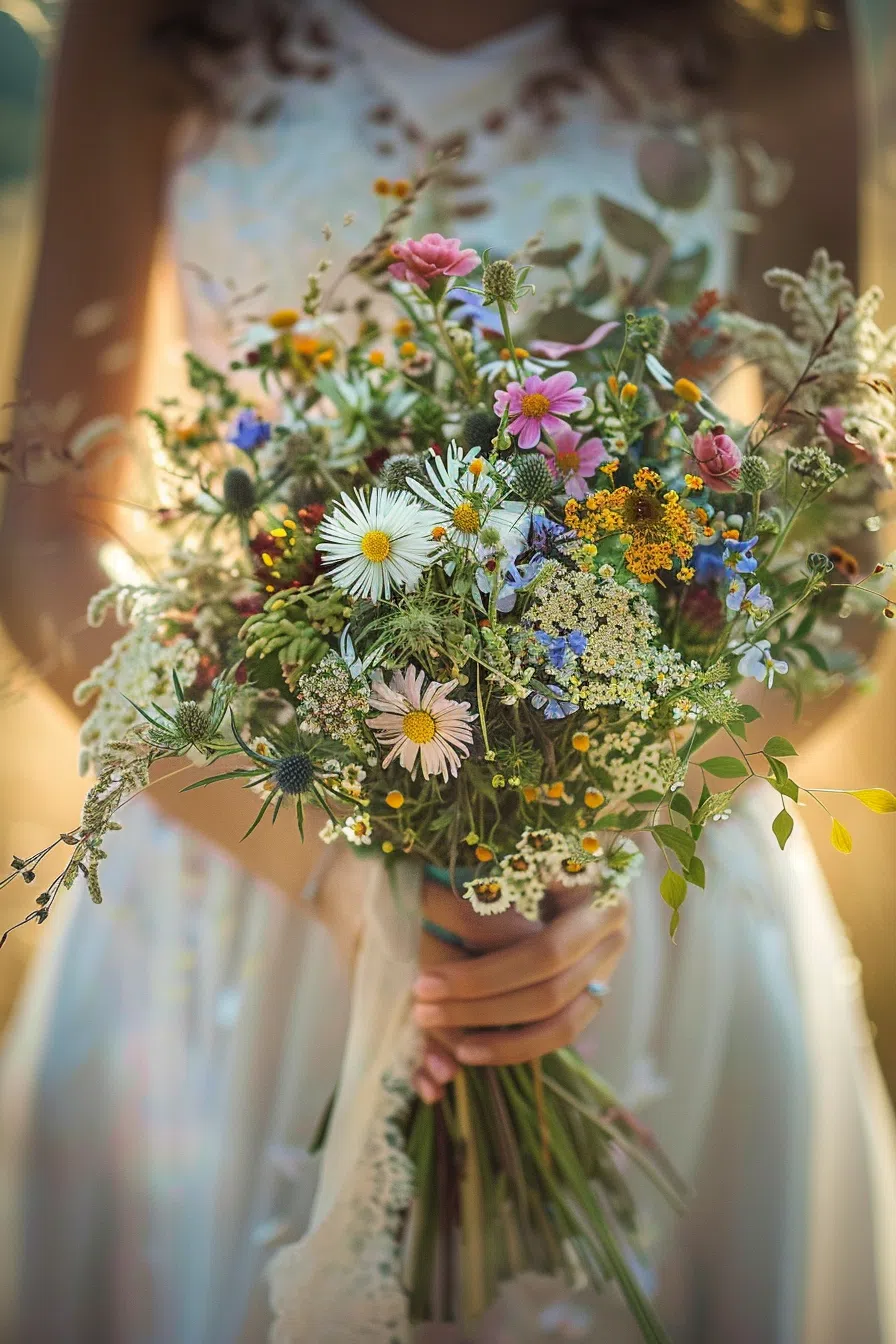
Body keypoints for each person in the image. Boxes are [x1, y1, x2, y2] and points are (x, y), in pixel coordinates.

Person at [0, 1, 894, 1341]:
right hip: (241, 848)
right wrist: (330, 866)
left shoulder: (772, 24)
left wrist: (587, 835)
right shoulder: (153, 22)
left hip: (624, 889)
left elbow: (839, 551)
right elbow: (50, 515)